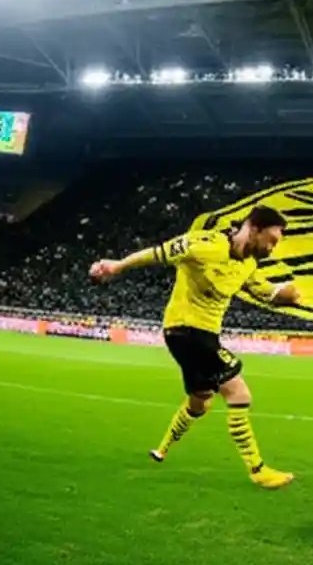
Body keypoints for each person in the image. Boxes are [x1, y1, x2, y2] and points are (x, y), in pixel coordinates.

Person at [88, 205, 301, 488]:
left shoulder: (248, 263)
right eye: (272, 240)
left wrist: (282, 294)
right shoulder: (205, 244)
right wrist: (117, 265)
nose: (273, 248)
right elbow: (158, 253)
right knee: (238, 392)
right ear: (255, 228)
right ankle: (257, 470)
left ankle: (161, 450)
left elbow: (260, 290)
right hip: (186, 330)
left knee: (200, 402)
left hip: (202, 336)